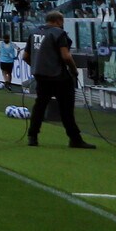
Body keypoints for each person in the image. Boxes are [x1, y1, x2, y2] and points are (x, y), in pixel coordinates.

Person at [23, 11, 94, 148]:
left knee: (40, 106)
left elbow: (26, 56)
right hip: (59, 76)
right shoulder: (58, 33)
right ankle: (75, 139)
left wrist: (37, 66)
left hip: (41, 76)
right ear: (59, 21)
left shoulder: (34, 32)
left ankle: (32, 136)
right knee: (66, 109)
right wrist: (73, 70)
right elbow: (66, 56)